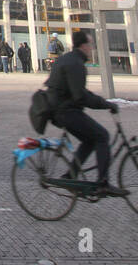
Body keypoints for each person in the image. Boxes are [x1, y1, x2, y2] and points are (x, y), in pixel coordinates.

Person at [46, 30, 124, 197]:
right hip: (65, 111)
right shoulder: (75, 64)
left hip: (60, 109)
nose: (92, 47)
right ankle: (103, 183)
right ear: (83, 45)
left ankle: (71, 175)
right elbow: (80, 95)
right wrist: (106, 104)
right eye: (90, 44)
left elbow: (76, 92)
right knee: (102, 136)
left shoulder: (68, 59)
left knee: (90, 140)